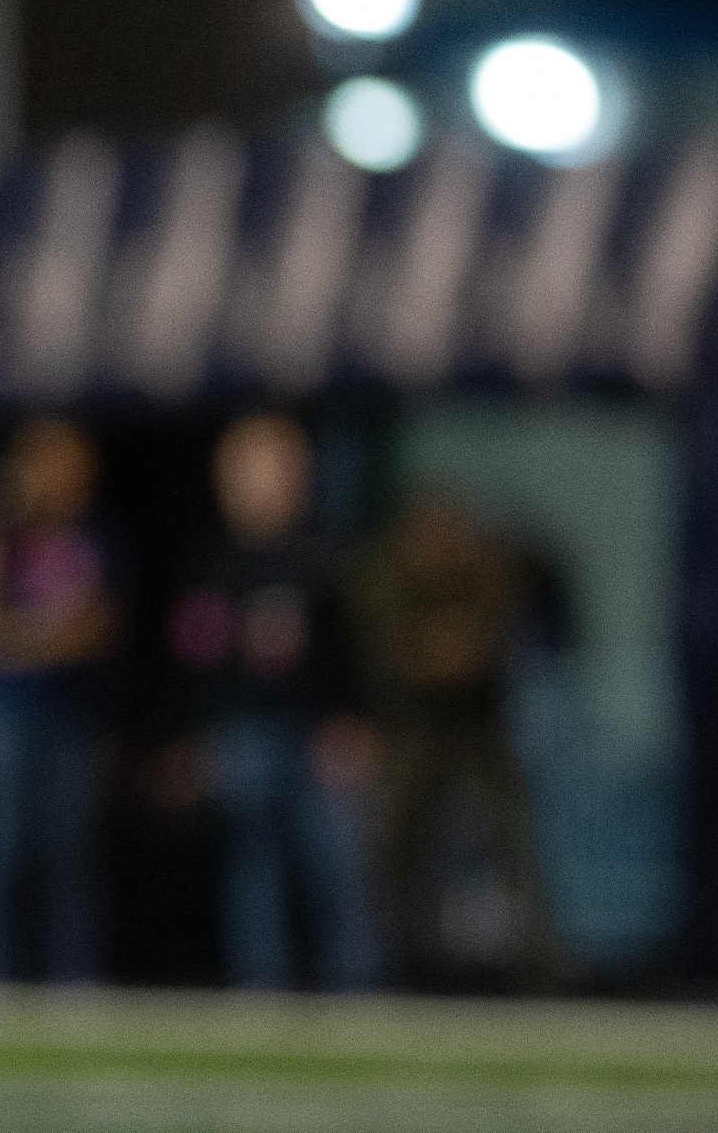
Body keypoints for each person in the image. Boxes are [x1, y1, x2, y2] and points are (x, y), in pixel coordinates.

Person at [169, 412, 379, 990]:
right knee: (255, 872)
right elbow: (194, 655)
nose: (266, 483)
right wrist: (201, 735)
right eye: (251, 470)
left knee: (337, 870)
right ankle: (261, 1000)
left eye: (279, 469)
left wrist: (352, 721)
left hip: (317, 734)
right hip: (245, 732)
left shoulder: (325, 555)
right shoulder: (214, 564)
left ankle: (356, 1002)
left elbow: (353, 651)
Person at [0, 415, 117, 981]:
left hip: (68, 718)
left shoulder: (92, 539)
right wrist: (41, 634)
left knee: (69, 861)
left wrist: (9, 636)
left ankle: (72, 989)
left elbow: (96, 631)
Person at [354, 494, 559, 989]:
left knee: (512, 838)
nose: (437, 546)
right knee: (389, 842)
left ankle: (544, 970)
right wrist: (430, 657)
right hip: (415, 723)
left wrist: (457, 652)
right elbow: (388, 648)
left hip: (476, 725)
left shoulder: (487, 567)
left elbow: (494, 630)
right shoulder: (384, 574)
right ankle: (380, 968)